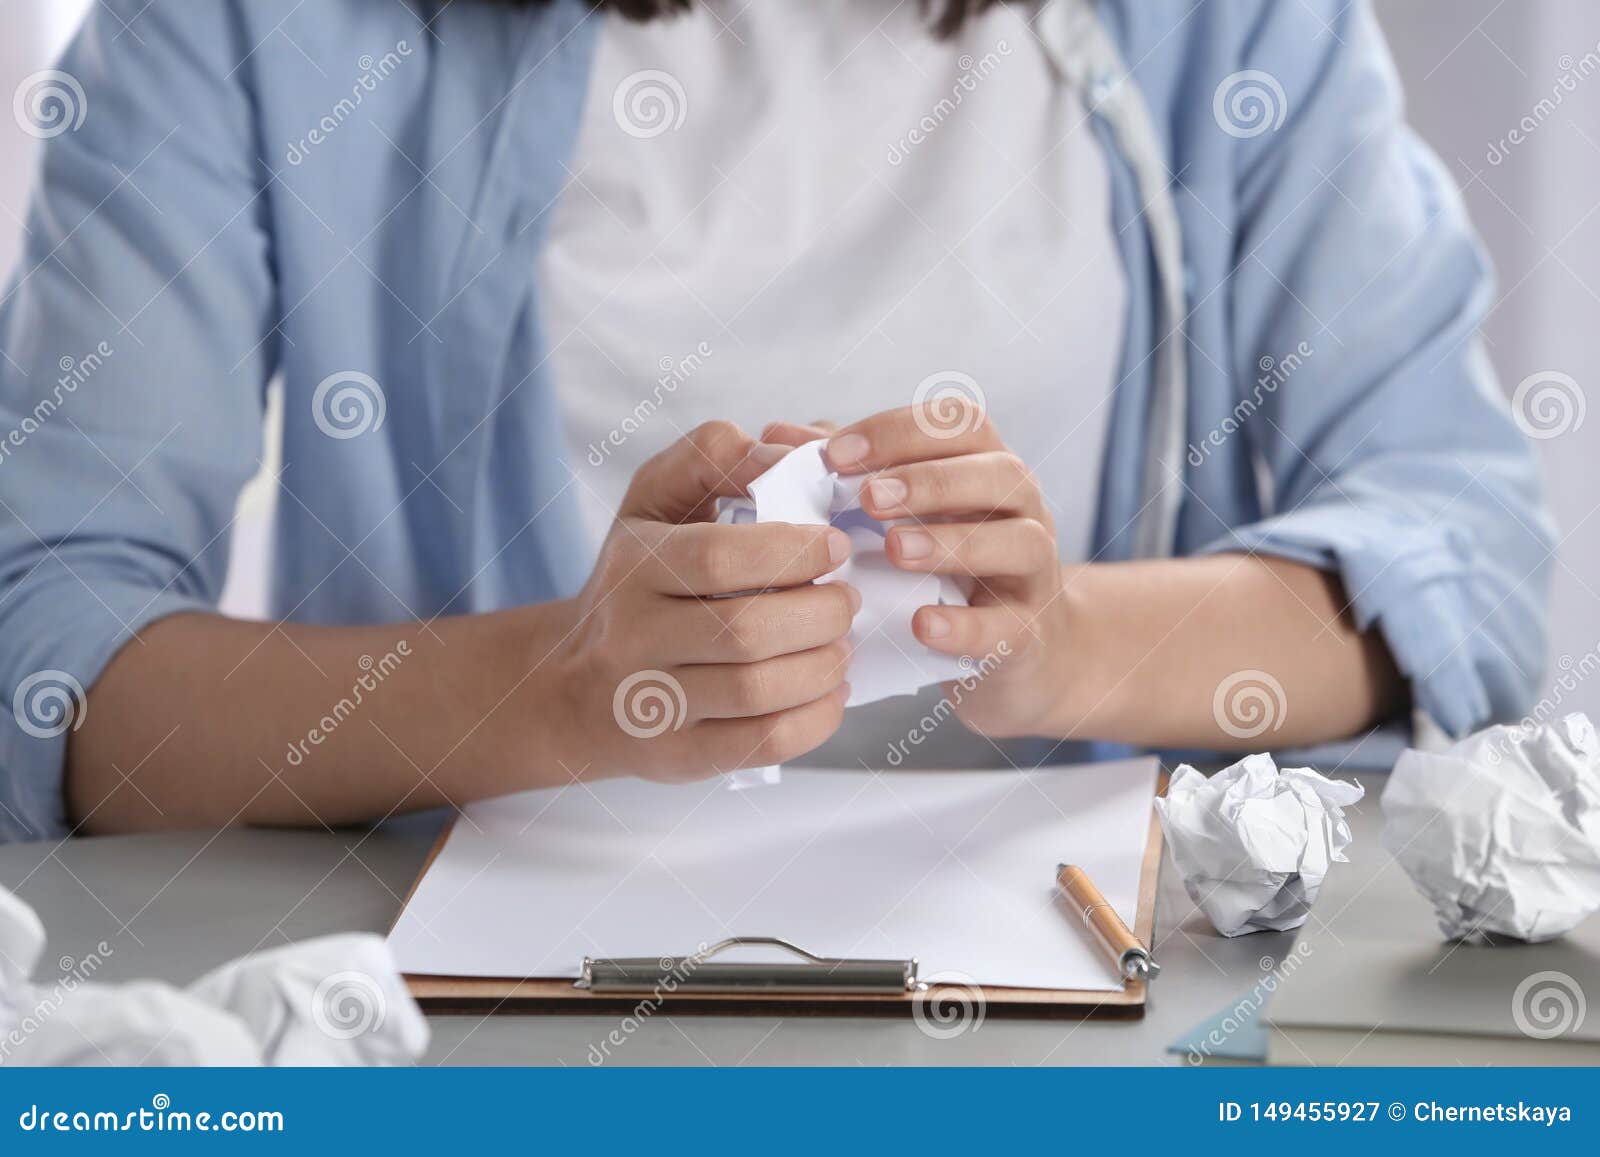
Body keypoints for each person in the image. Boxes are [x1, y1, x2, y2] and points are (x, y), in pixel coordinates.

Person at [0, 0, 1551, 841]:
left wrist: (1067, 639)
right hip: (451, 1034)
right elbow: (46, 654)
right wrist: (553, 685)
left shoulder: (1225, 29)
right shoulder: (239, 29)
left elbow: (1456, 556)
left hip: (1100, 1021)